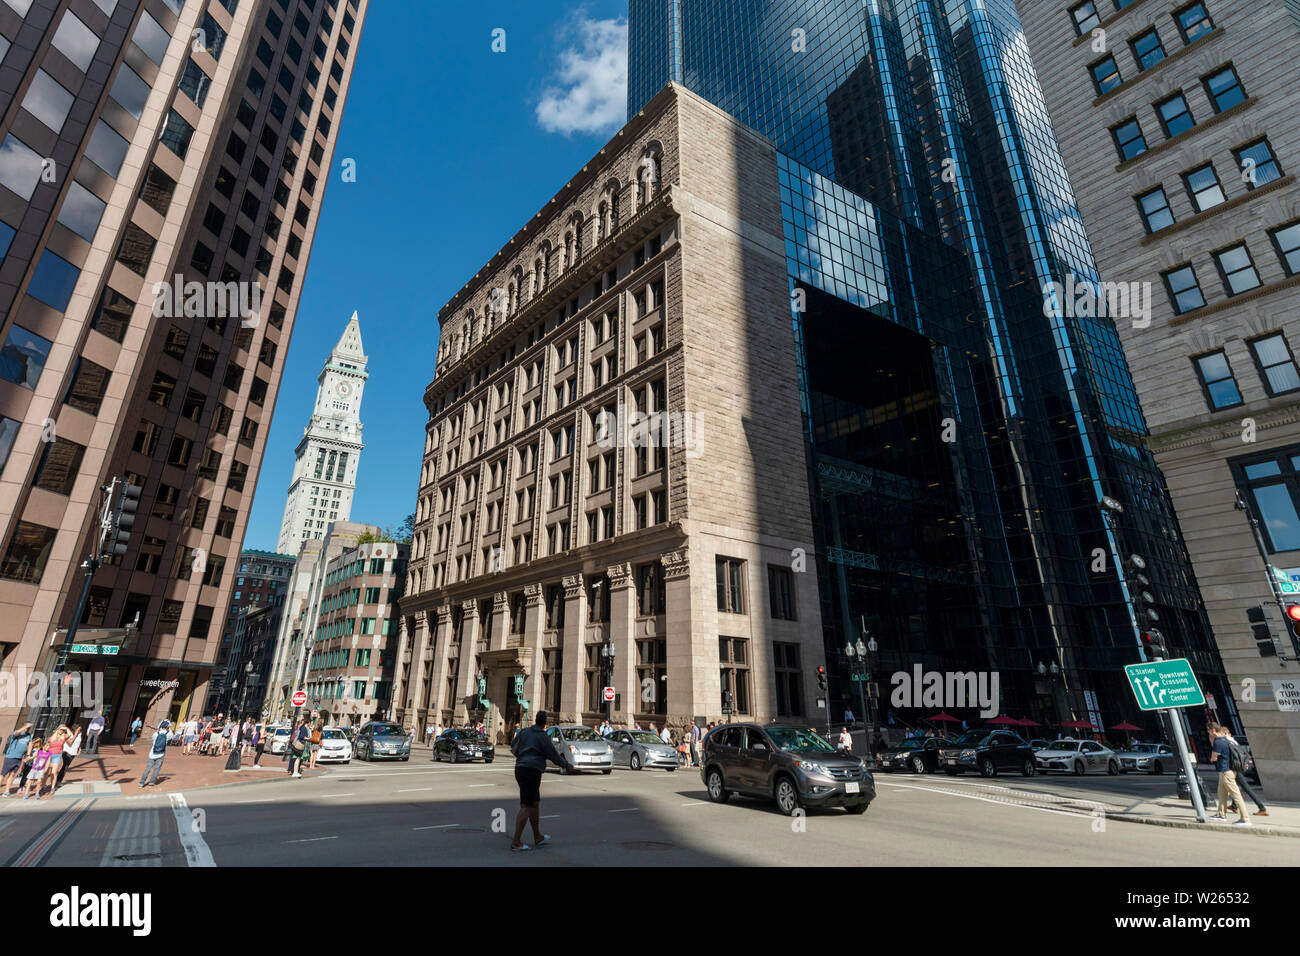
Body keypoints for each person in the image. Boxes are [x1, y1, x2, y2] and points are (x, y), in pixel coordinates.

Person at [508, 711, 569, 851]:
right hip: (532, 771)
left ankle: (538, 837)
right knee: (526, 806)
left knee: (534, 803)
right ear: (545, 722)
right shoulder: (543, 737)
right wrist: (566, 765)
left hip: (521, 768)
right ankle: (516, 842)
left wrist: (521, 755)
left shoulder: (524, 732)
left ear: (536, 720)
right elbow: (553, 755)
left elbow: (513, 745)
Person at [1215, 724, 1268, 817]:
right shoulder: (1234, 742)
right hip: (1237, 768)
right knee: (1234, 788)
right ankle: (1234, 806)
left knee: (1244, 788)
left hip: (1233, 768)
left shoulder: (1228, 743)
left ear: (1226, 733)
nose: (1221, 736)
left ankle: (1261, 808)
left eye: (1222, 734)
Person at [1209, 725, 1250, 825]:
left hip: (1225, 771)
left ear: (1213, 730)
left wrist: (1212, 758)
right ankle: (1221, 814)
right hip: (1229, 770)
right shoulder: (1226, 740)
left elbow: (1213, 758)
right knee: (1222, 793)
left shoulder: (1218, 742)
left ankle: (1245, 818)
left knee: (1236, 795)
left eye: (1209, 730)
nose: (1208, 733)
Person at [1, 723, 33, 796]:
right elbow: (16, 733)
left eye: (29, 728)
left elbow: (30, 744)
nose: (28, 729)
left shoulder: (28, 736)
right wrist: (25, 726)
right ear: (24, 727)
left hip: (19, 758)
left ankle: (6, 791)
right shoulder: (17, 733)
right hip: (10, 757)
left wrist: (28, 755)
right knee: (3, 774)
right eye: (27, 727)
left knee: (12, 775)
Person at [137, 720, 170, 788]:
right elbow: (171, 733)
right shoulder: (168, 735)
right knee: (156, 769)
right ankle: (151, 783)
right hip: (161, 754)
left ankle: (141, 783)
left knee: (148, 768)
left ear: (161, 726)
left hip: (152, 754)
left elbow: (153, 738)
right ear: (167, 727)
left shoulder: (156, 734)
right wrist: (169, 727)